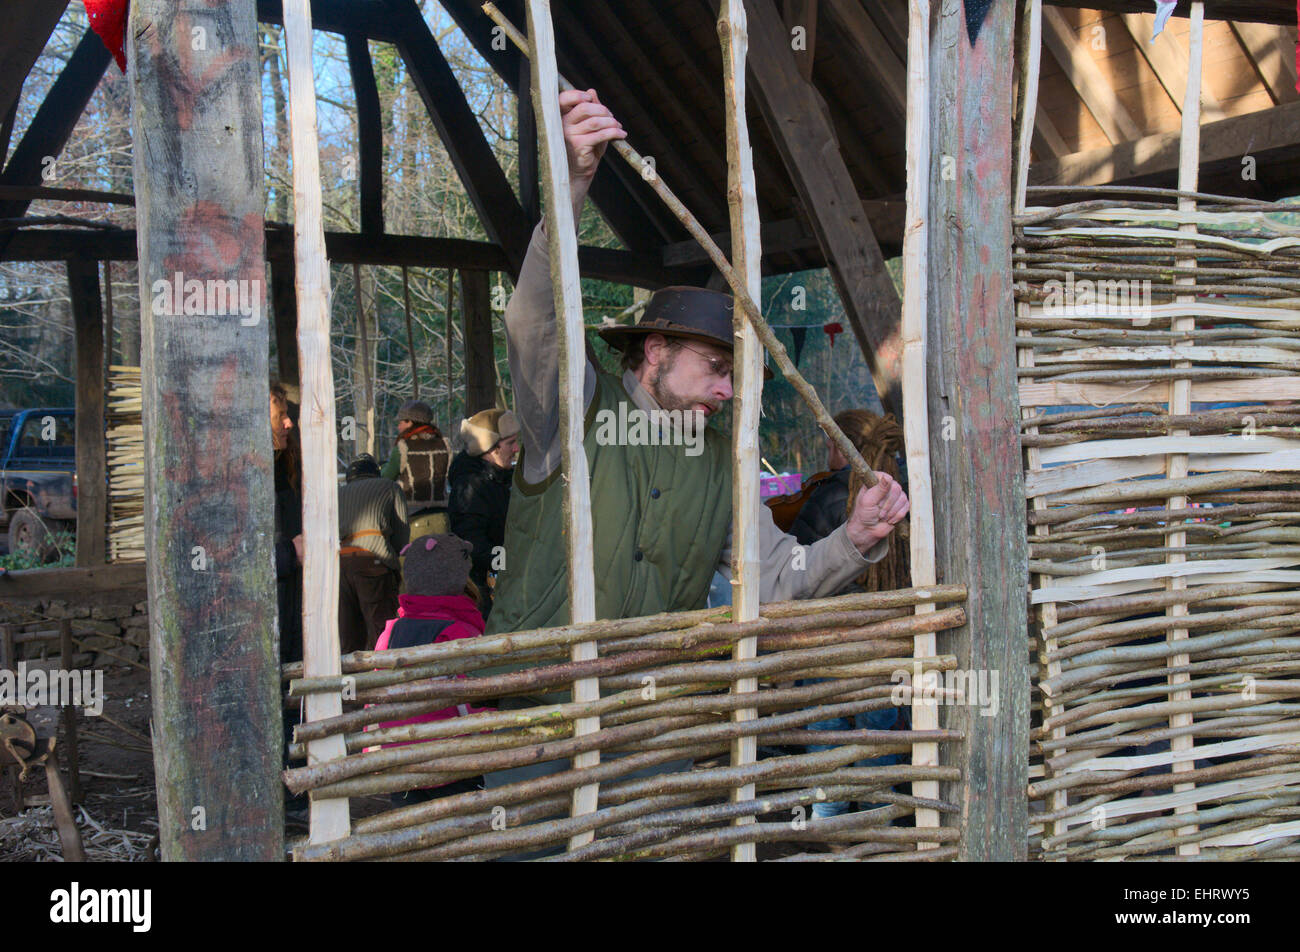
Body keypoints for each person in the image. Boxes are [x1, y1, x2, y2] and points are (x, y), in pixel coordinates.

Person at [487, 87, 910, 645]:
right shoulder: (572, 412)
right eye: (715, 366)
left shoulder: (724, 466)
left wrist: (853, 537)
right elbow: (535, 322)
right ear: (657, 350)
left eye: (735, 375)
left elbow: (778, 580)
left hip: (655, 716)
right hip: (540, 706)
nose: (728, 390)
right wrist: (570, 187)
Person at [789, 407, 911, 832]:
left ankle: (828, 825)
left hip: (828, 637)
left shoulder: (825, 498)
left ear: (847, 449)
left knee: (828, 729)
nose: (827, 456)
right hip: (889, 635)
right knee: (880, 729)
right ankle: (882, 821)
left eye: (829, 446)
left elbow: (798, 573)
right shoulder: (906, 495)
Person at [372, 533, 489, 806]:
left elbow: (375, 698)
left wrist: (374, 748)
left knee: (412, 835)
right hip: (451, 764)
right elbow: (468, 704)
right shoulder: (457, 634)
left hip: (400, 764)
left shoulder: (390, 633)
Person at [449, 408, 519, 619]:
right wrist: (513, 561)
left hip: (501, 581)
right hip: (484, 589)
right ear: (490, 448)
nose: (516, 449)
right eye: (510, 443)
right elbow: (472, 544)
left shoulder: (500, 479)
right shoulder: (470, 487)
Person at [337, 454, 409, 653]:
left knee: (348, 636)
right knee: (382, 631)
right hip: (374, 563)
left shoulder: (337, 494)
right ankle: (380, 680)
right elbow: (402, 539)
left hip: (340, 564)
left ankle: (351, 682)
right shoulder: (390, 487)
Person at [381, 399, 452, 539]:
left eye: (401, 421)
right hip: (442, 519)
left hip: (414, 520)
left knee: (408, 560)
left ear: (411, 422)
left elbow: (386, 478)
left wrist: (382, 467)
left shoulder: (403, 448)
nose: (399, 426)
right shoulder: (445, 445)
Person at [270, 382, 303, 666]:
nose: (289, 423)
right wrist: (289, 554)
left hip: (292, 591)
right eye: (280, 416)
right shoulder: (239, 476)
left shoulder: (288, 465)